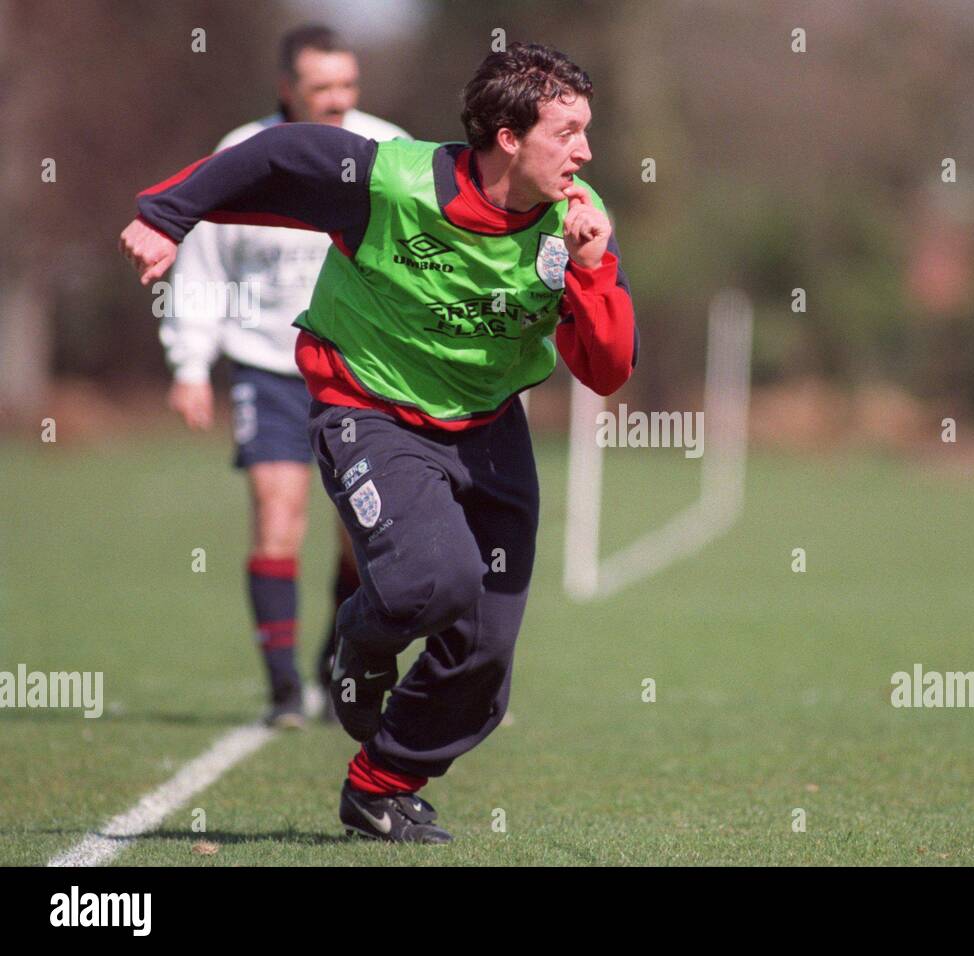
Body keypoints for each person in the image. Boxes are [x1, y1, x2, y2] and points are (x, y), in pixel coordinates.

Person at [121, 42, 638, 842]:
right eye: (568, 132)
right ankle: (357, 647)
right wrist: (168, 215)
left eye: (586, 132)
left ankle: (380, 785)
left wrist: (595, 269)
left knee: (487, 650)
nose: (586, 151)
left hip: (489, 424)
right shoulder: (391, 180)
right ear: (507, 135)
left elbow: (606, 371)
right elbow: (277, 155)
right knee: (433, 580)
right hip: (370, 408)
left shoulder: (574, 222)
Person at [159, 24, 409, 728]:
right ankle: (280, 693)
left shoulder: (386, 150)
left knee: (360, 536)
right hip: (268, 367)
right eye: (320, 87)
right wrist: (189, 364)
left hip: (359, 370)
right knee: (277, 516)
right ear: (287, 88)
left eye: (347, 86)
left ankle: (336, 665)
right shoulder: (242, 153)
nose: (337, 100)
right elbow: (203, 266)